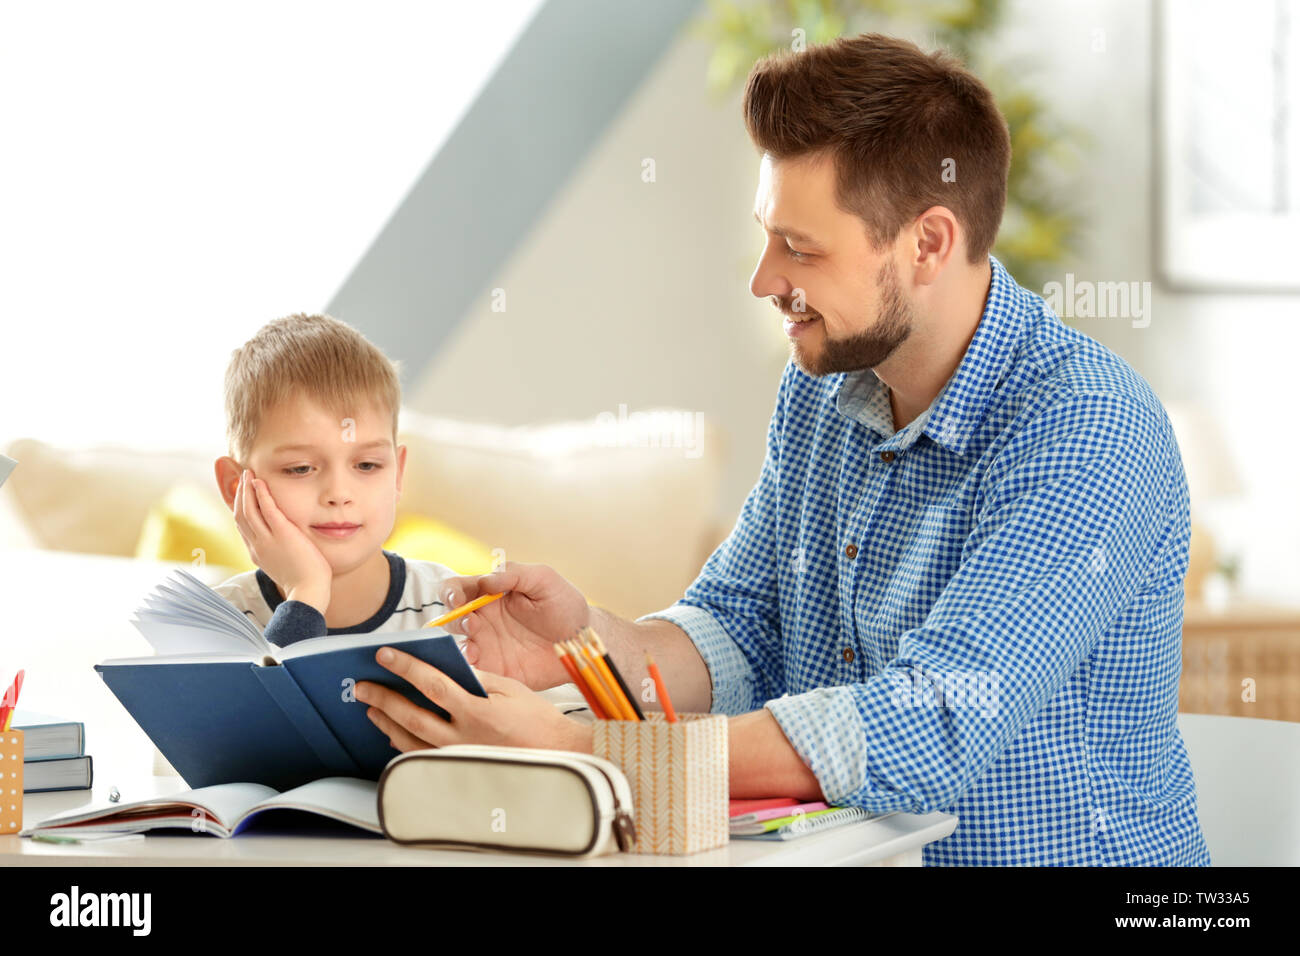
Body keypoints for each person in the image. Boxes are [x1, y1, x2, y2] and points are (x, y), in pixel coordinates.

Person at [354, 33, 1211, 865]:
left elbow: (934, 724)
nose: (765, 281)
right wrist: (589, 644)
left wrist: (585, 745)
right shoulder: (823, 382)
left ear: (929, 243)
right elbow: (744, 623)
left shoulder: (1087, 429)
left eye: (799, 248)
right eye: (769, 235)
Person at [210, 312, 585, 707]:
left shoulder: (458, 614)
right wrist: (306, 598)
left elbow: (573, 728)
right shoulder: (216, 623)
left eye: (367, 465)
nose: (339, 493)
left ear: (398, 474)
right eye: (300, 468)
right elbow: (232, 743)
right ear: (237, 487)